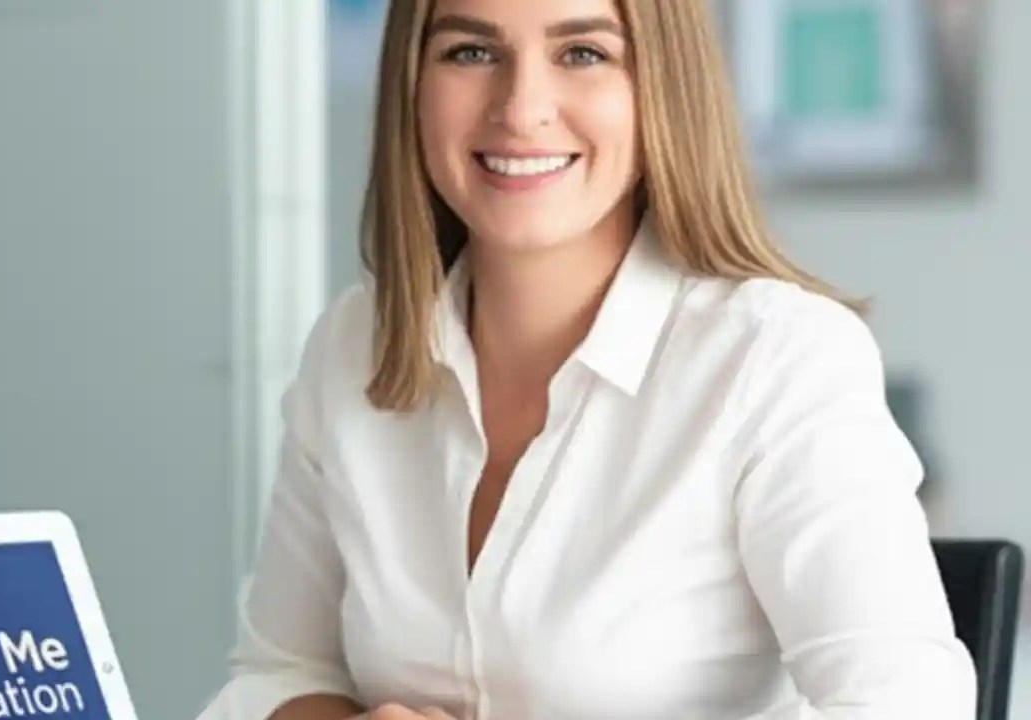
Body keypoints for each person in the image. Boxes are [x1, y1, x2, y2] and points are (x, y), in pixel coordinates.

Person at [199, 0, 977, 718]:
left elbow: (904, 704)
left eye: (582, 53)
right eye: (470, 52)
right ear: (412, 83)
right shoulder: (353, 346)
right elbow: (276, 675)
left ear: (659, 89)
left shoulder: (773, 356)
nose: (521, 108)